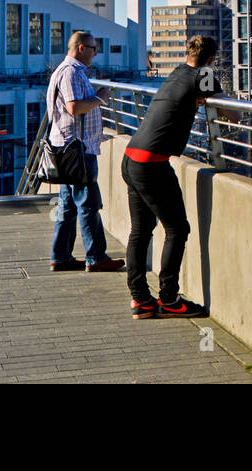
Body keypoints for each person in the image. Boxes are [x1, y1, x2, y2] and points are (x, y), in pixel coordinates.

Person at [122, 35, 222, 318]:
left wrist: (198, 100)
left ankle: (141, 300)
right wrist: (211, 100)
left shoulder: (179, 71)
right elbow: (232, 114)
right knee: (178, 229)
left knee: (141, 231)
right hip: (152, 164)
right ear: (212, 60)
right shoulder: (205, 75)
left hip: (131, 156)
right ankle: (169, 298)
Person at [48, 31, 125, 273]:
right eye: (93, 48)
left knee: (68, 205)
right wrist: (100, 99)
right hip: (76, 150)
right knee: (89, 204)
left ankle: (60, 257)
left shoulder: (65, 70)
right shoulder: (71, 72)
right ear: (81, 48)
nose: (96, 53)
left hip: (68, 147)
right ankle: (96, 257)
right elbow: (73, 107)